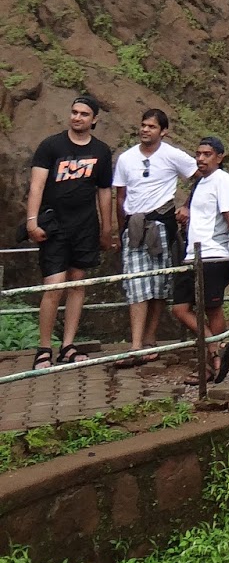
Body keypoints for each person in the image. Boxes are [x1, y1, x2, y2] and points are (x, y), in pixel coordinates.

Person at [25, 93, 114, 368]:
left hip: (85, 226)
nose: (77, 117)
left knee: (77, 285)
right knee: (54, 286)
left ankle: (68, 345)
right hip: (54, 225)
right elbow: (37, 186)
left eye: (84, 114)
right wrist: (31, 220)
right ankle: (43, 348)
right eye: (75, 112)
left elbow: (104, 192)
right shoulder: (51, 146)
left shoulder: (100, 151)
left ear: (94, 119)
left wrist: (106, 229)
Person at [112, 109, 196, 362]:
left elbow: (200, 176)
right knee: (137, 284)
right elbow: (120, 197)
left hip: (161, 223)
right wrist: (120, 230)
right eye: (143, 125)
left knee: (159, 286)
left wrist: (187, 205)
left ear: (163, 131)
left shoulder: (172, 155)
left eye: (151, 126)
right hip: (135, 225)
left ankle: (150, 340)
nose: (145, 130)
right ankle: (136, 345)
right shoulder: (126, 159)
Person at [172, 137, 229, 382]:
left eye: (206, 154)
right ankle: (217, 348)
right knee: (180, 308)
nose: (200, 159)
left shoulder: (224, 181)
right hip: (193, 253)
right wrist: (185, 212)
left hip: (214, 253)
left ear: (219, 157)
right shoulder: (199, 183)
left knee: (212, 307)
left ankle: (211, 362)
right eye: (198, 154)